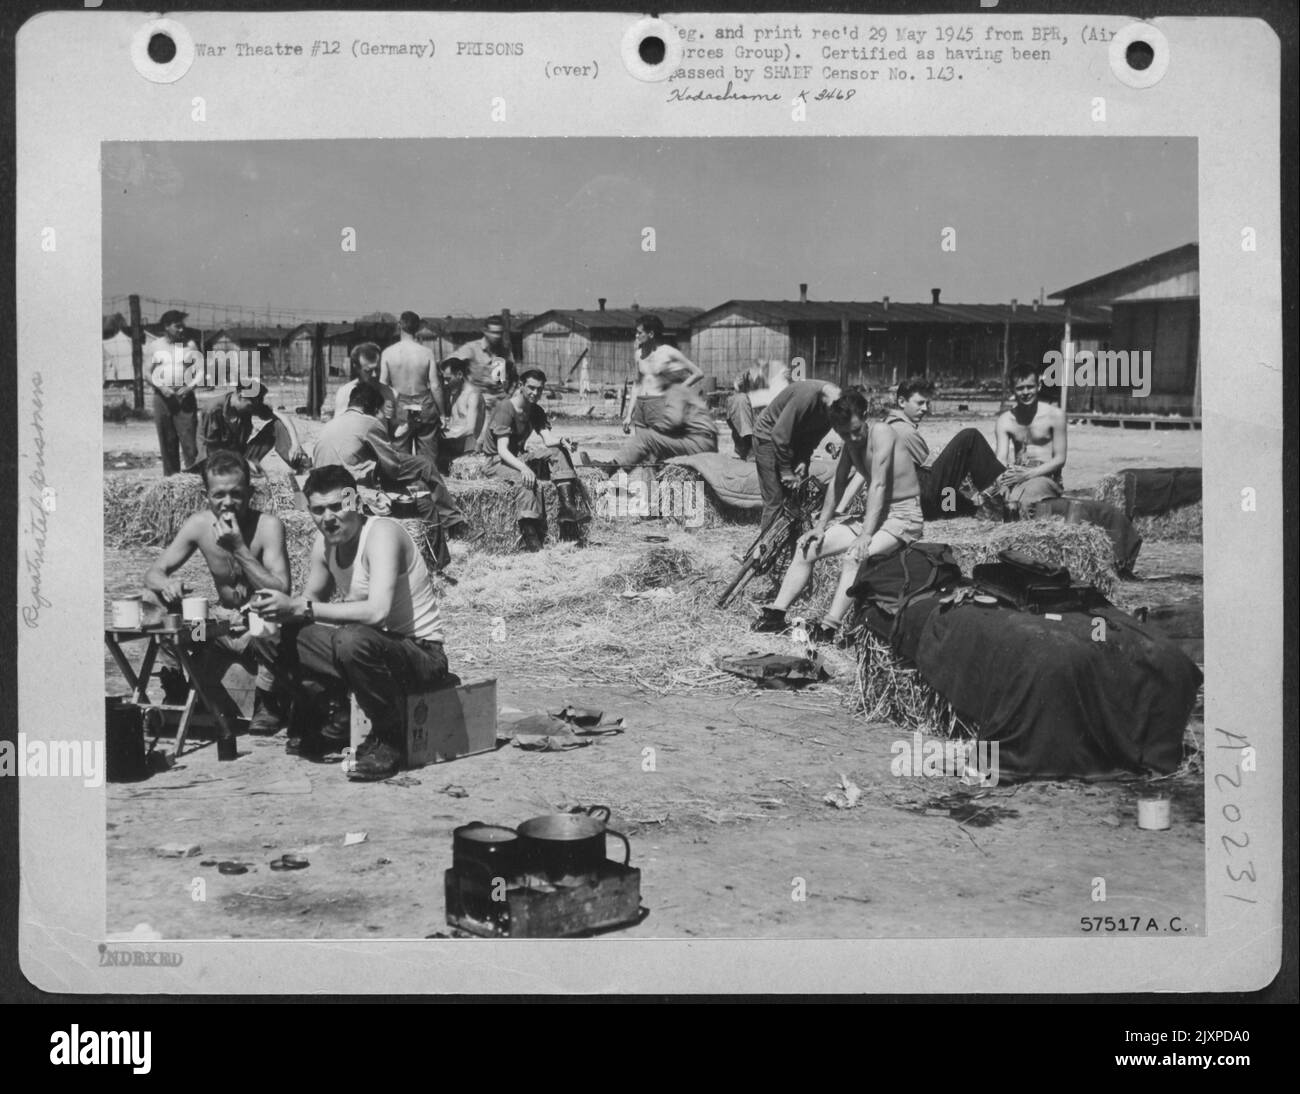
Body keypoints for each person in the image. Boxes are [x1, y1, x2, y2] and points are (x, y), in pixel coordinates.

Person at [248, 465, 452, 781]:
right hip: (369, 652)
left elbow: (376, 613)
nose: (328, 518)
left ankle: (389, 739)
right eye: (318, 510)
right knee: (271, 634)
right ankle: (333, 712)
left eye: (336, 507)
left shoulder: (382, 533)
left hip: (420, 655)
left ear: (355, 502)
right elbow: (304, 610)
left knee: (352, 638)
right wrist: (267, 611)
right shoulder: (324, 544)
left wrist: (301, 607)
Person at [142, 449, 291, 734]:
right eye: (219, 494)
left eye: (236, 494)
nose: (228, 503)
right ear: (205, 495)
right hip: (214, 632)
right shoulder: (199, 525)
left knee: (273, 617)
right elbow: (153, 574)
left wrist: (239, 548)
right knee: (157, 604)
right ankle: (175, 686)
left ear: (251, 493)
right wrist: (167, 585)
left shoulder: (268, 527)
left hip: (256, 634)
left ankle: (266, 701)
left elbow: (282, 590)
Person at [751, 390, 873, 639]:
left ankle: (829, 627)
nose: (851, 437)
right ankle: (776, 613)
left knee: (854, 557)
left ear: (866, 416)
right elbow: (839, 483)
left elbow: (880, 489)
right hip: (867, 519)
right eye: (844, 434)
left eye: (855, 430)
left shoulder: (884, 440)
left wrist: (867, 532)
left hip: (890, 521)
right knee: (808, 546)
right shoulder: (851, 442)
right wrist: (821, 526)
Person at [313, 380, 466, 567]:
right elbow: (394, 468)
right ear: (372, 407)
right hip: (351, 496)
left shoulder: (330, 426)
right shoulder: (368, 423)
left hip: (323, 495)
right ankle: (438, 565)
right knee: (425, 503)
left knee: (414, 476)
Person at [476, 368, 584, 550]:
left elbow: (548, 440)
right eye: (531, 388)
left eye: (539, 389)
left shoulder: (535, 410)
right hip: (496, 461)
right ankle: (530, 534)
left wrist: (561, 441)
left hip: (517, 456)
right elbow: (502, 451)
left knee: (558, 451)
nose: (535, 393)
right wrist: (524, 468)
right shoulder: (505, 408)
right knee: (525, 479)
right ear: (521, 386)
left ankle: (567, 508)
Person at [751, 378, 844, 528]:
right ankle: (766, 548)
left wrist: (803, 459)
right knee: (775, 500)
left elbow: (812, 438)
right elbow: (779, 435)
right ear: (826, 403)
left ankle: (791, 543)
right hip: (768, 437)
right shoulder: (806, 396)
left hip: (791, 439)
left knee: (798, 498)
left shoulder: (834, 410)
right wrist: (786, 470)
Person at [606, 359, 718, 471]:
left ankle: (611, 468)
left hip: (697, 442)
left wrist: (656, 428)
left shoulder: (675, 390)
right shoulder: (685, 390)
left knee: (645, 437)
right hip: (707, 441)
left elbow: (674, 420)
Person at [992, 362, 1068, 512]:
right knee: (995, 501)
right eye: (1020, 388)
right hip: (1017, 473)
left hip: (1044, 476)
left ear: (1038, 386)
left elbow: (1060, 459)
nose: (1026, 392)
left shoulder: (1055, 415)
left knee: (1020, 503)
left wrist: (1027, 475)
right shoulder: (1005, 420)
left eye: (1030, 387)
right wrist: (1001, 483)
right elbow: (1001, 459)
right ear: (1012, 390)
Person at [197, 381, 307, 477]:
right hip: (215, 463)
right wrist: (242, 465)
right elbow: (211, 451)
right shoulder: (212, 410)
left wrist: (295, 444)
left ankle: (303, 467)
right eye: (252, 406)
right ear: (240, 396)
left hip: (239, 457)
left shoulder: (247, 405)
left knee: (277, 425)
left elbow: (283, 418)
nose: (254, 409)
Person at [622, 314, 704, 436]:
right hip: (641, 404)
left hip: (659, 404)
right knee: (641, 446)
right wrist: (629, 415)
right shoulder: (638, 354)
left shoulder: (668, 352)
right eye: (636, 332)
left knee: (658, 447)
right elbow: (637, 385)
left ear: (651, 334)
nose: (636, 336)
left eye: (640, 333)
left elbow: (698, 373)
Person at [379, 311, 440, 458]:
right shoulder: (427, 352)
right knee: (427, 451)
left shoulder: (388, 353)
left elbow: (383, 384)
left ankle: (402, 479)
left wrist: (386, 406)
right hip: (424, 402)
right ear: (418, 327)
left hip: (400, 403)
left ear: (399, 325)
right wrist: (442, 412)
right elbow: (435, 386)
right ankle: (425, 479)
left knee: (399, 451)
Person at [147, 310, 201, 476]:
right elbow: (147, 372)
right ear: (166, 326)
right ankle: (171, 481)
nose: (181, 330)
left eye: (182, 326)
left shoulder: (190, 345)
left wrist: (190, 386)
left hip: (184, 397)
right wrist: (162, 388)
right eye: (177, 326)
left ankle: (193, 479)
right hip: (162, 398)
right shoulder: (155, 346)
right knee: (167, 441)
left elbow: (200, 370)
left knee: (190, 442)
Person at [451, 316, 517, 416]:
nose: (497, 336)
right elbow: (449, 367)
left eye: (499, 333)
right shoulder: (471, 348)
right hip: (474, 403)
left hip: (497, 405)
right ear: (485, 331)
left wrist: (508, 396)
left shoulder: (505, 352)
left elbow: (514, 378)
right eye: (493, 333)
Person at [726, 360, 791, 460]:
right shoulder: (742, 394)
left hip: (767, 439)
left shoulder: (776, 385)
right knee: (739, 399)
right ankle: (749, 446)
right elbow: (738, 393)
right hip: (746, 440)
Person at [433, 357, 486, 475]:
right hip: (453, 446)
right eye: (444, 379)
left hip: (467, 450)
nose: (445, 383)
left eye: (448, 379)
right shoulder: (455, 393)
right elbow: (455, 421)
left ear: (459, 374)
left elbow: (471, 428)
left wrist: (450, 435)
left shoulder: (473, 395)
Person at [334, 343, 398, 434]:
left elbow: (396, 432)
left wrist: (393, 420)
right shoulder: (345, 393)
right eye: (368, 371)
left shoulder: (390, 393)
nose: (374, 375)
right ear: (357, 368)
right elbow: (338, 429)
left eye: (377, 369)